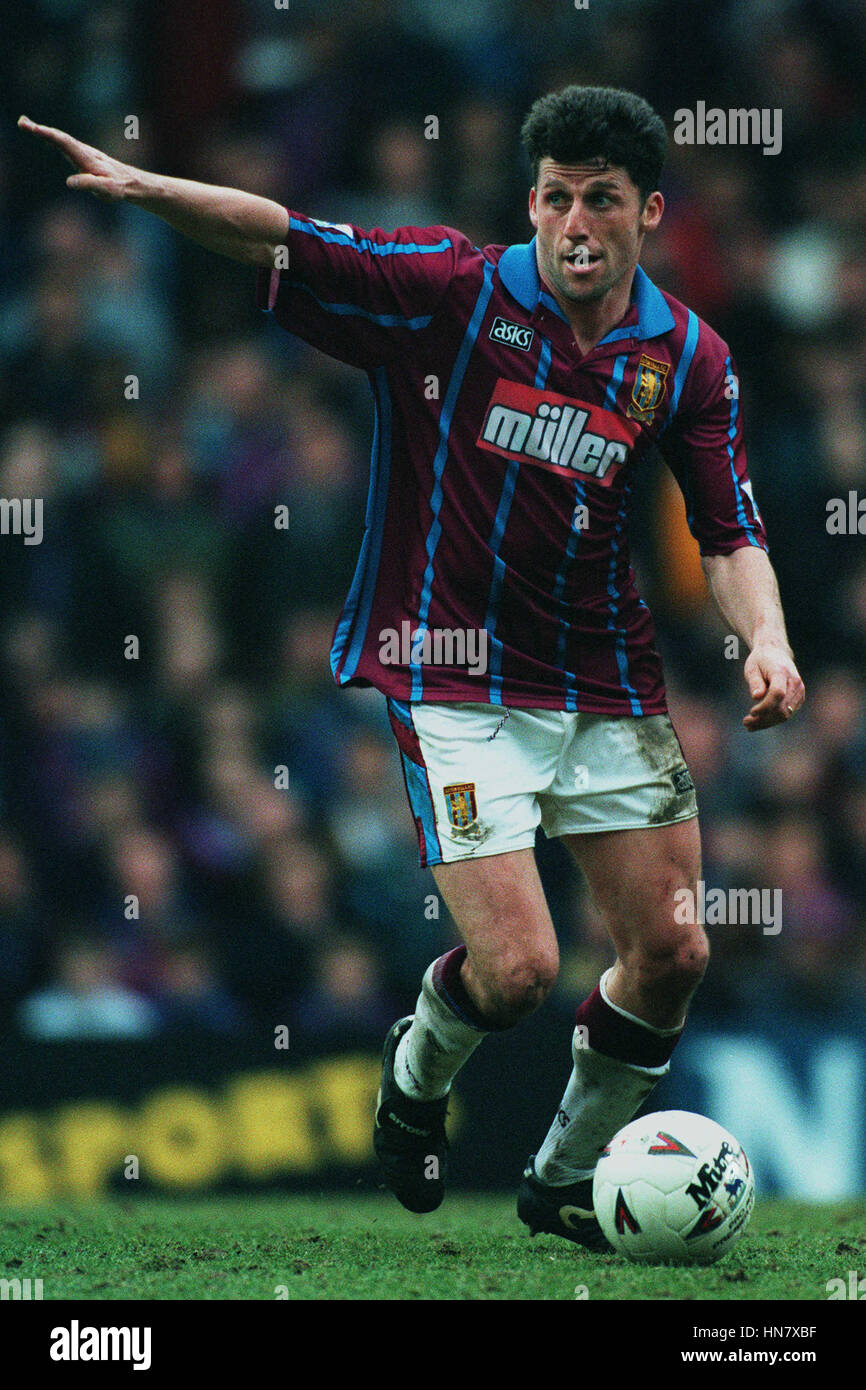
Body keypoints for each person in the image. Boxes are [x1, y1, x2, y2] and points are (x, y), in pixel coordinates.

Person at [19, 85, 805, 1248]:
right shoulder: (452, 290)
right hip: (452, 680)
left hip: (606, 685)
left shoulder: (686, 356)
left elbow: (726, 529)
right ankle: (415, 1070)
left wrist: (768, 639)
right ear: (528, 201)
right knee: (516, 973)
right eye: (553, 196)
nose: (573, 221)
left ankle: (559, 1176)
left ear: (647, 212)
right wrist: (148, 193)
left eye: (601, 199)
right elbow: (281, 233)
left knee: (674, 949)